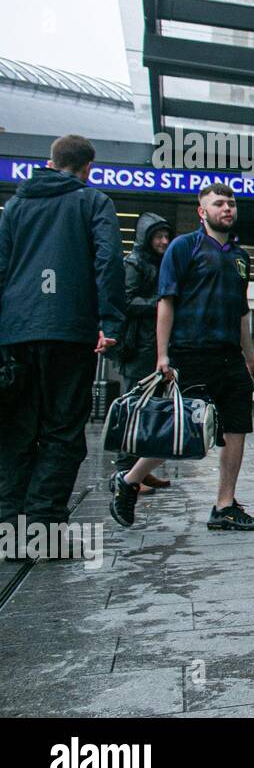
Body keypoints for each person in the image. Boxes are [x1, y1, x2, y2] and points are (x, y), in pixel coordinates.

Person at [109, 183, 254, 530]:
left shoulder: (241, 258)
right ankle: (128, 480)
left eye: (231, 203)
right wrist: (162, 354)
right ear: (202, 211)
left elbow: (242, 312)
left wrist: (251, 357)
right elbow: (166, 301)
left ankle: (225, 506)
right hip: (190, 353)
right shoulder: (182, 248)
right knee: (180, 431)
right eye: (219, 204)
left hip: (230, 357)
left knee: (238, 428)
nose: (227, 208)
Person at [0, 135, 124, 539]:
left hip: (16, 332)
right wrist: (110, 321)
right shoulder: (93, 202)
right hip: (70, 331)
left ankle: (8, 524)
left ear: (51, 162)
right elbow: (108, 261)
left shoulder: (16, 205)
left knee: (17, 429)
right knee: (62, 430)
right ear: (88, 167)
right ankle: (42, 526)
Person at [113, 212, 174, 490]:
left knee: (151, 409)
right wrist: (162, 306)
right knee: (134, 407)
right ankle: (126, 471)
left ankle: (140, 470)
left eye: (165, 236)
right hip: (138, 347)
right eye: (158, 236)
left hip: (154, 346)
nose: (163, 241)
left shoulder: (161, 263)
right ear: (146, 238)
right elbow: (125, 300)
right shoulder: (134, 262)